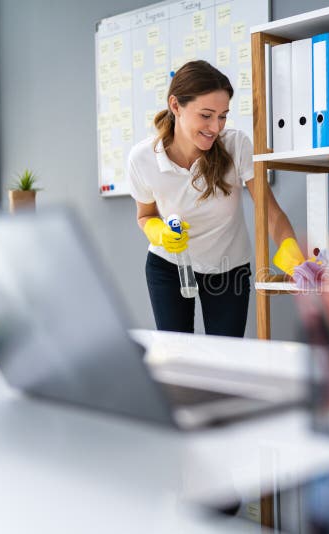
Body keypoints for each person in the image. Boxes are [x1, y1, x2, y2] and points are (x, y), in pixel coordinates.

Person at [127, 60, 305, 337]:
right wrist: (159, 232)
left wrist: (292, 251)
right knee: (178, 355)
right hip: (170, 266)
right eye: (206, 115)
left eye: (223, 116)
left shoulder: (236, 145)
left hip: (228, 267)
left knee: (226, 357)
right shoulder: (143, 158)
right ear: (176, 106)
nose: (216, 127)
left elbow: (270, 212)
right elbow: (145, 215)